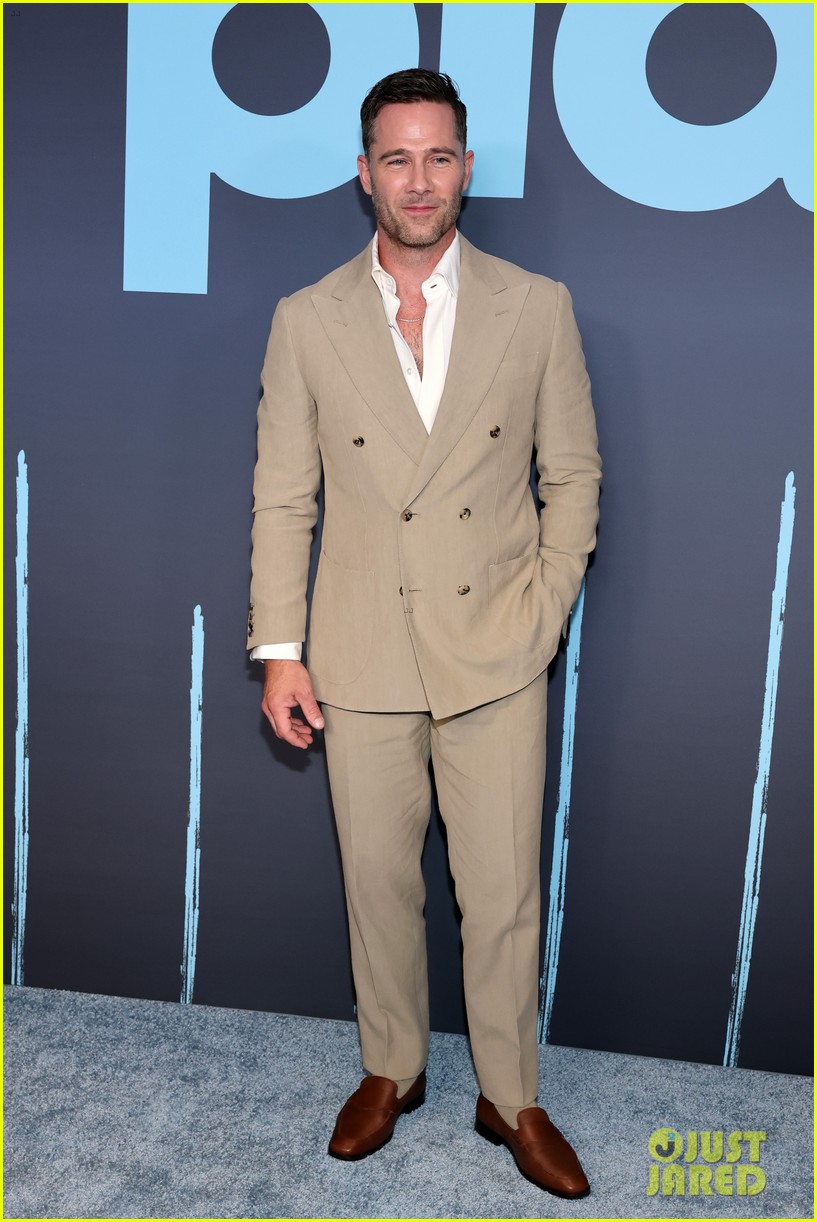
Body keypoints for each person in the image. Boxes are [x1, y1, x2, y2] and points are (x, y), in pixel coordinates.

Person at [247, 69, 600, 1197]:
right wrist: (280, 649)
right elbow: (284, 498)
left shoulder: (535, 306)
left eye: (437, 156)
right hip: (359, 650)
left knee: (501, 893)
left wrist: (541, 613)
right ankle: (391, 1067)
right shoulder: (305, 319)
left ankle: (511, 1094)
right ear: (363, 173)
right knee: (377, 884)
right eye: (396, 158)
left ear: (466, 170)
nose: (417, 179)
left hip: (496, 647)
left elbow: (573, 477)